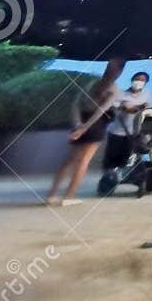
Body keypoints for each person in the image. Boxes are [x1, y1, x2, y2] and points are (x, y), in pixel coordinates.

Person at [48, 59, 124, 205]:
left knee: (70, 160)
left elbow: (76, 103)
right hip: (94, 124)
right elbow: (101, 110)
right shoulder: (113, 89)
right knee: (83, 161)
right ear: (119, 72)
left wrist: (78, 124)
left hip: (82, 119)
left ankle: (52, 195)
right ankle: (69, 196)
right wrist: (84, 127)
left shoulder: (92, 83)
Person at [102, 71, 152, 178]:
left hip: (133, 132)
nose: (139, 82)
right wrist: (126, 107)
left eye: (142, 80)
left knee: (127, 157)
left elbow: (145, 107)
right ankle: (107, 179)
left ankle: (122, 176)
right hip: (117, 131)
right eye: (137, 79)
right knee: (112, 157)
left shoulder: (145, 94)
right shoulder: (121, 94)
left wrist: (138, 107)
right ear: (132, 80)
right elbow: (116, 107)